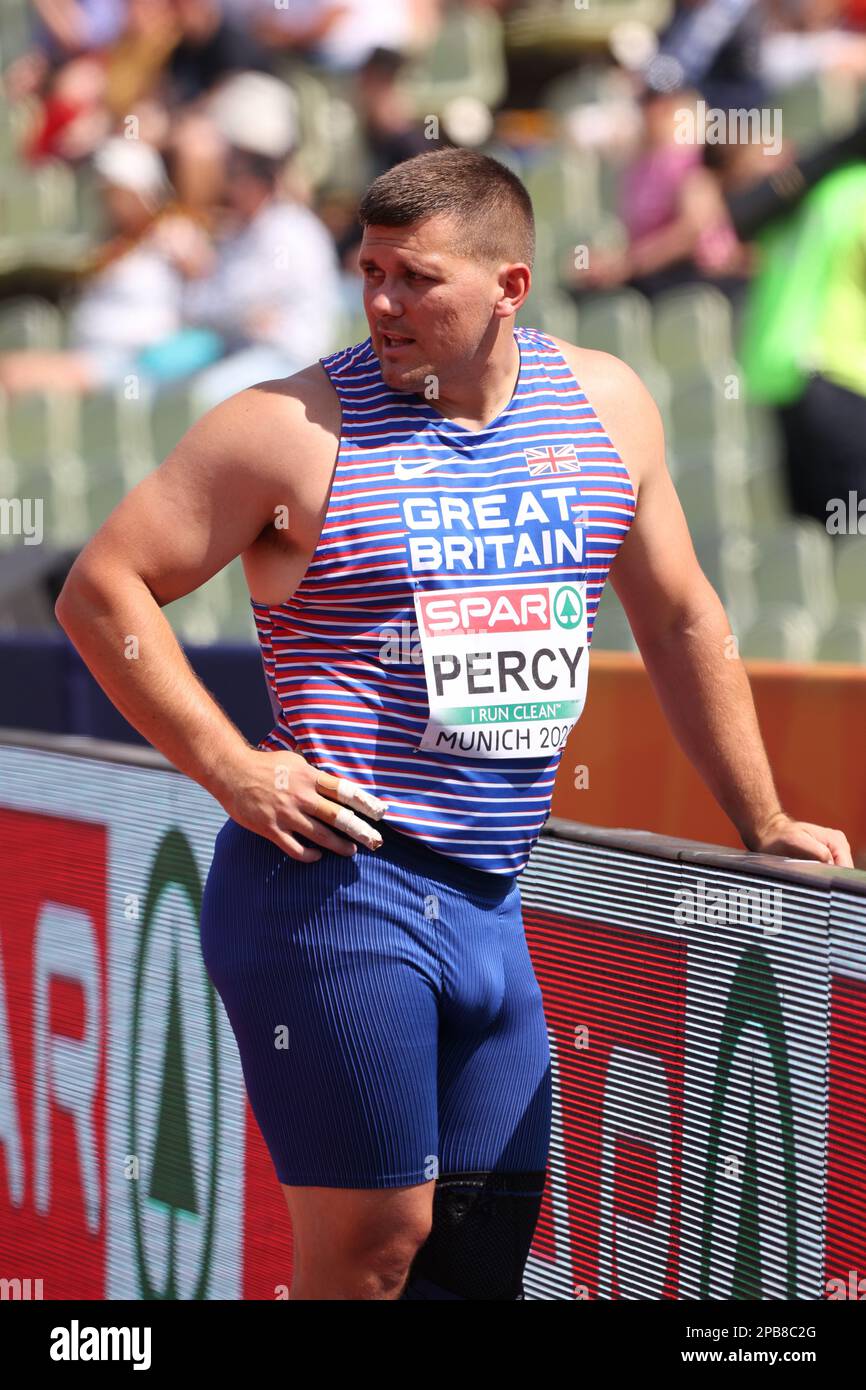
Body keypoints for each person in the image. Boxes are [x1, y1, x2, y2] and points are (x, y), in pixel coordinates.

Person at [54, 148, 853, 1300]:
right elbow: (103, 587)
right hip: (331, 886)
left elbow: (680, 620)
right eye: (367, 269)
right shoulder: (289, 429)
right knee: (373, 1249)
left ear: (509, 287)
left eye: (414, 278)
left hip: (489, 898)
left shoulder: (606, 409)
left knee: (476, 1262)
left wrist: (761, 817)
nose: (380, 301)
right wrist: (231, 767)